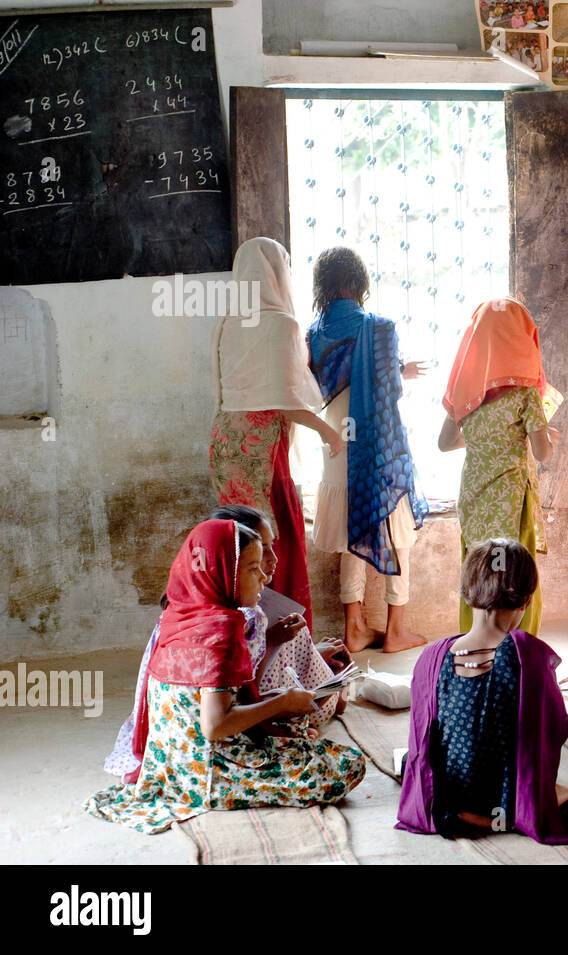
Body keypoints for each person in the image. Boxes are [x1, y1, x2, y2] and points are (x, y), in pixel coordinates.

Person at [85, 519, 365, 833]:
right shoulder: (220, 632)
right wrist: (281, 702)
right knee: (348, 765)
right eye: (252, 569)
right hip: (208, 773)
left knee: (295, 727)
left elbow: (227, 699)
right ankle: (224, 792)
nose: (262, 578)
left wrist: (283, 703)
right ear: (223, 571)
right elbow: (215, 725)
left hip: (170, 767)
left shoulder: (181, 615)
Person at [397, 539, 568, 841]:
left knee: (410, 755)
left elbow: (423, 742)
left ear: (467, 592)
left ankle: (471, 810)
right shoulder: (526, 654)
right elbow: (554, 729)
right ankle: (511, 808)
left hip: (452, 795)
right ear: (526, 600)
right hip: (504, 795)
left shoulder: (432, 656)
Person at [209, 237, 342, 630]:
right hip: (261, 448)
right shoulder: (282, 324)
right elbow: (283, 399)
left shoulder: (228, 321)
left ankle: (239, 635)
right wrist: (328, 433)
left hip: (225, 445)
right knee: (273, 545)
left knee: (237, 543)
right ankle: (281, 642)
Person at [308, 247, 429, 654]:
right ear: (360, 284)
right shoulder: (380, 328)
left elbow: (320, 386)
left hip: (337, 442)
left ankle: (354, 627)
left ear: (322, 286)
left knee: (351, 534)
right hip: (376, 445)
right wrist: (401, 371)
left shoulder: (313, 333)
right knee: (396, 535)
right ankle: (395, 630)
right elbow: (385, 389)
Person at [439, 297, 557, 637]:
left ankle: (473, 640)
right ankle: (519, 646)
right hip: (511, 502)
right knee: (515, 571)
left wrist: (483, 440)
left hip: (473, 497)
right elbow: (542, 453)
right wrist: (545, 435)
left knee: (478, 569)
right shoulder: (525, 395)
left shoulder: (465, 391)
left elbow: (445, 443)